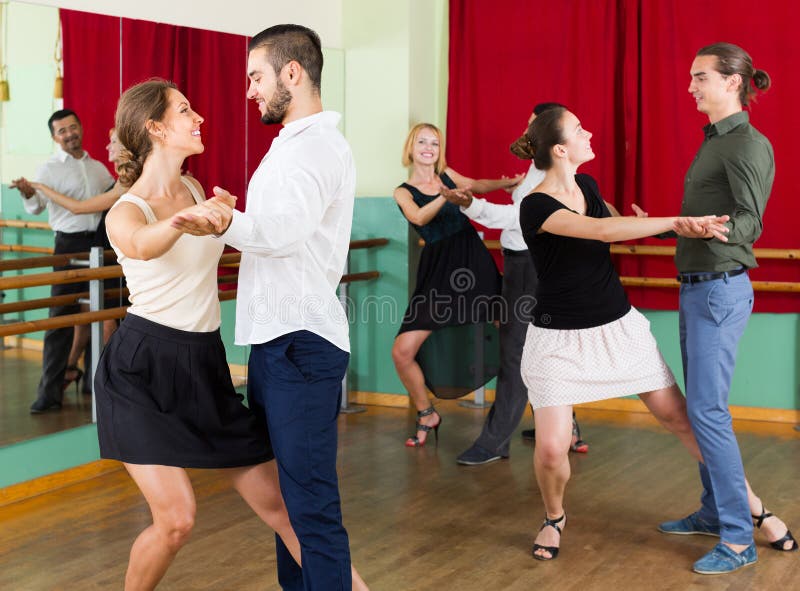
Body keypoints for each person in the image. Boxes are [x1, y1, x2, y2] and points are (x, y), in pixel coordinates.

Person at [170, 25, 369, 591]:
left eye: (256, 77)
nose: (249, 91)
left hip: (300, 344)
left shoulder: (315, 146)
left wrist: (223, 220)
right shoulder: (296, 144)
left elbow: (282, 231)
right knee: (291, 501)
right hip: (282, 342)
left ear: (292, 73)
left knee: (310, 508)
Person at [657, 42, 796, 574]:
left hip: (718, 289)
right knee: (700, 409)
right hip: (697, 287)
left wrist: (709, 229)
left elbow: (750, 222)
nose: (691, 85)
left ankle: (738, 539)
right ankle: (715, 512)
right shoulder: (714, 140)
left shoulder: (745, 143)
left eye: (701, 77)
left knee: (709, 413)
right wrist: (679, 222)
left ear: (732, 82)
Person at [445, 103, 588, 466]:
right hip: (527, 267)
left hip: (528, 270)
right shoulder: (537, 168)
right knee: (541, 351)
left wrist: (471, 206)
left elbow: (519, 217)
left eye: (536, 127)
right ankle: (563, 426)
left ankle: (493, 442)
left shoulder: (545, 172)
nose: (529, 133)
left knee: (516, 355)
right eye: (529, 126)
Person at [392, 122, 520, 447]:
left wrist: (508, 182)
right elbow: (419, 218)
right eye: (422, 141)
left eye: (434, 143)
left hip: (472, 261)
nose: (428, 148)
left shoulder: (448, 174)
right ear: (411, 147)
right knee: (402, 351)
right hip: (437, 271)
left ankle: (563, 418)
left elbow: (476, 185)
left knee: (513, 338)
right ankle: (426, 414)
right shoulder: (403, 191)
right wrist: (446, 197)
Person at [10, 109, 114, 413]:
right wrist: (29, 194)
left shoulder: (98, 168)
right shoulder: (48, 170)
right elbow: (34, 208)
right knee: (60, 320)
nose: (69, 134)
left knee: (100, 316)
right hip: (67, 246)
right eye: (61, 131)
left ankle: (94, 384)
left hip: (99, 244)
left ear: (80, 128)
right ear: (54, 137)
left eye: (72, 127)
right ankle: (49, 393)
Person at [31, 128, 128, 390]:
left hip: (111, 257)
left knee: (108, 319)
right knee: (88, 314)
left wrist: (41, 188)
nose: (107, 148)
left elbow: (77, 207)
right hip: (98, 252)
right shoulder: (120, 177)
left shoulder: (124, 180)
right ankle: (79, 373)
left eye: (113, 142)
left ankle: (105, 380)